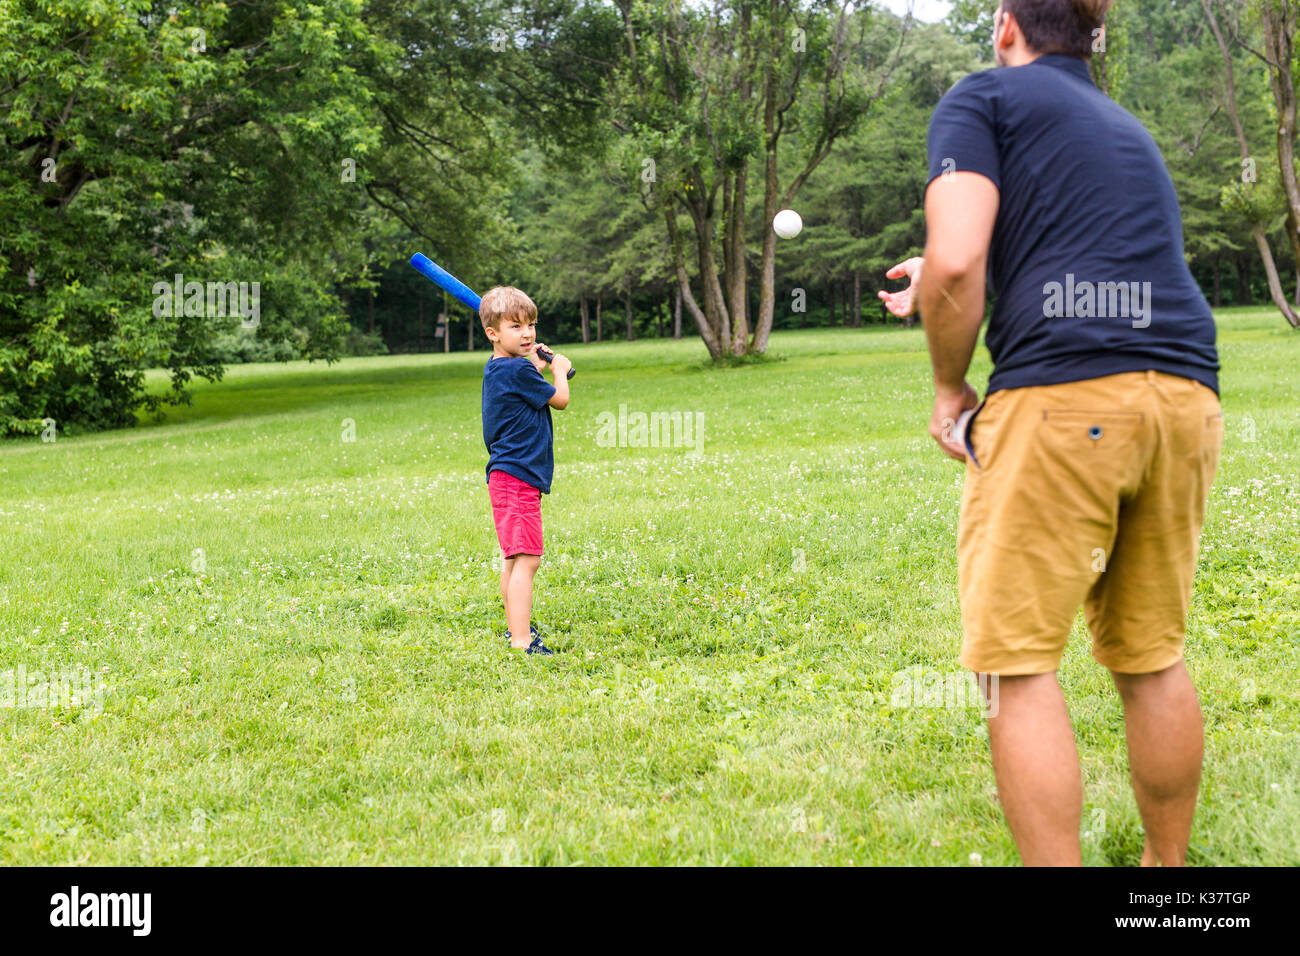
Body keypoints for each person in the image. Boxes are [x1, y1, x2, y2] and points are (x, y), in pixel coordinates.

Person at [879, 0, 1222, 866]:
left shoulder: (983, 99)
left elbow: (960, 259)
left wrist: (951, 390)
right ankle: (1165, 880)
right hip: (1184, 394)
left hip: (1066, 400)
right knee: (1149, 654)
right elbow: (1051, 253)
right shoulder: (1120, 122)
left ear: (1005, 24)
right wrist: (941, 276)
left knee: (1016, 665)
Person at [479, 286, 572, 655]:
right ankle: (522, 641)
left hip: (508, 476)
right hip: (517, 478)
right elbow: (559, 399)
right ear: (493, 333)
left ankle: (517, 628)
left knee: (514, 559)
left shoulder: (501, 368)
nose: (528, 333)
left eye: (531, 324)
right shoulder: (517, 370)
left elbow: (525, 382)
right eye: (515, 326)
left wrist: (535, 363)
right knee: (528, 559)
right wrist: (559, 370)